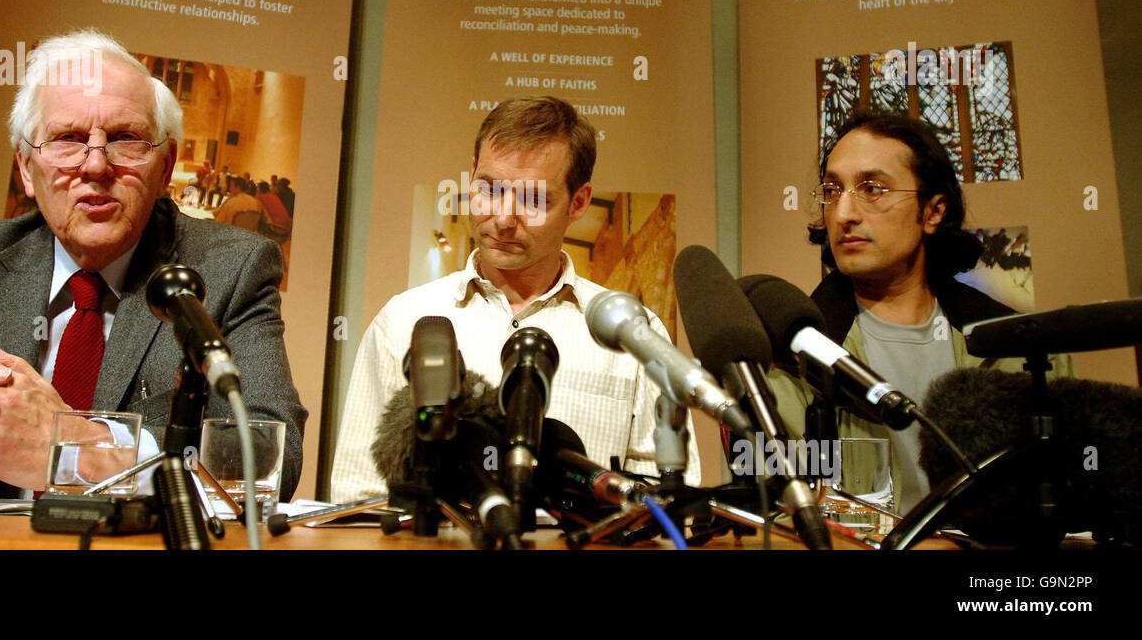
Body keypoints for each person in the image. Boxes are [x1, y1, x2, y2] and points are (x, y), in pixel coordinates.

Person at [0, 29, 306, 498]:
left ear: (165, 169)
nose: (96, 166)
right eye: (68, 138)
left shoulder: (230, 268)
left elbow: (270, 455)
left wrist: (82, 447)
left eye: (126, 139)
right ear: (25, 168)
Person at [330, 96, 699, 502]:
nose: (504, 218)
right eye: (488, 189)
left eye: (533, 199)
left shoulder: (634, 336)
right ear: (470, 175)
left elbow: (666, 507)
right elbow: (357, 495)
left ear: (578, 202)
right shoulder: (402, 321)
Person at [767, 112, 1070, 512]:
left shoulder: (1020, 350)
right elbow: (773, 514)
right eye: (832, 190)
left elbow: (1059, 499)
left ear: (933, 212)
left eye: (872, 189)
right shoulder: (788, 362)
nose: (843, 214)